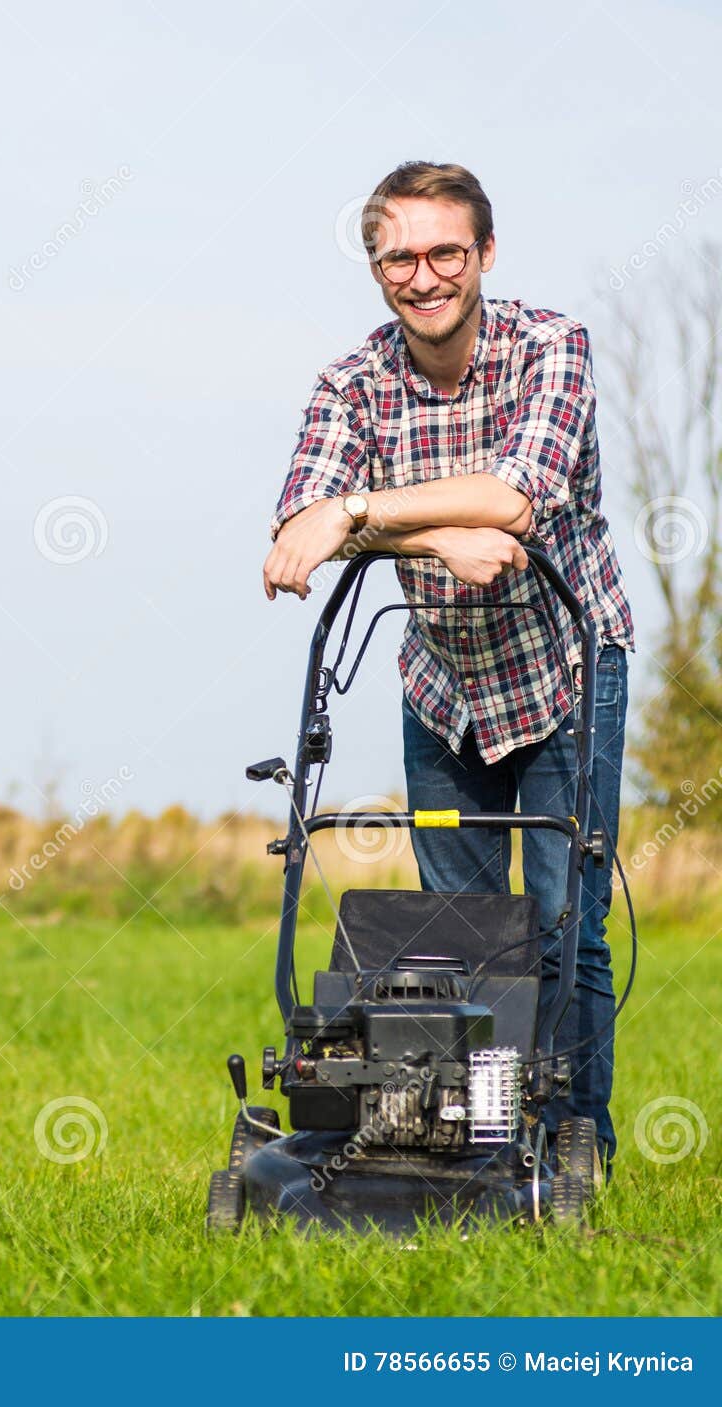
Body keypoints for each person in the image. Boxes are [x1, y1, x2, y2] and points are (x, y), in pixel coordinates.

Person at [262, 160, 634, 1174]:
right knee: (464, 936)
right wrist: (429, 540)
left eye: (443, 253)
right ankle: (476, 1146)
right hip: (442, 684)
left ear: (484, 254)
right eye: (397, 258)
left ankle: (572, 1141)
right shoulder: (350, 382)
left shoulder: (550, 346)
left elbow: (520, 495)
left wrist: (363, 512)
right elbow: (293, 531)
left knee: (565, 930)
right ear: (373, 264)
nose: (421, 277)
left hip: (565, 670)